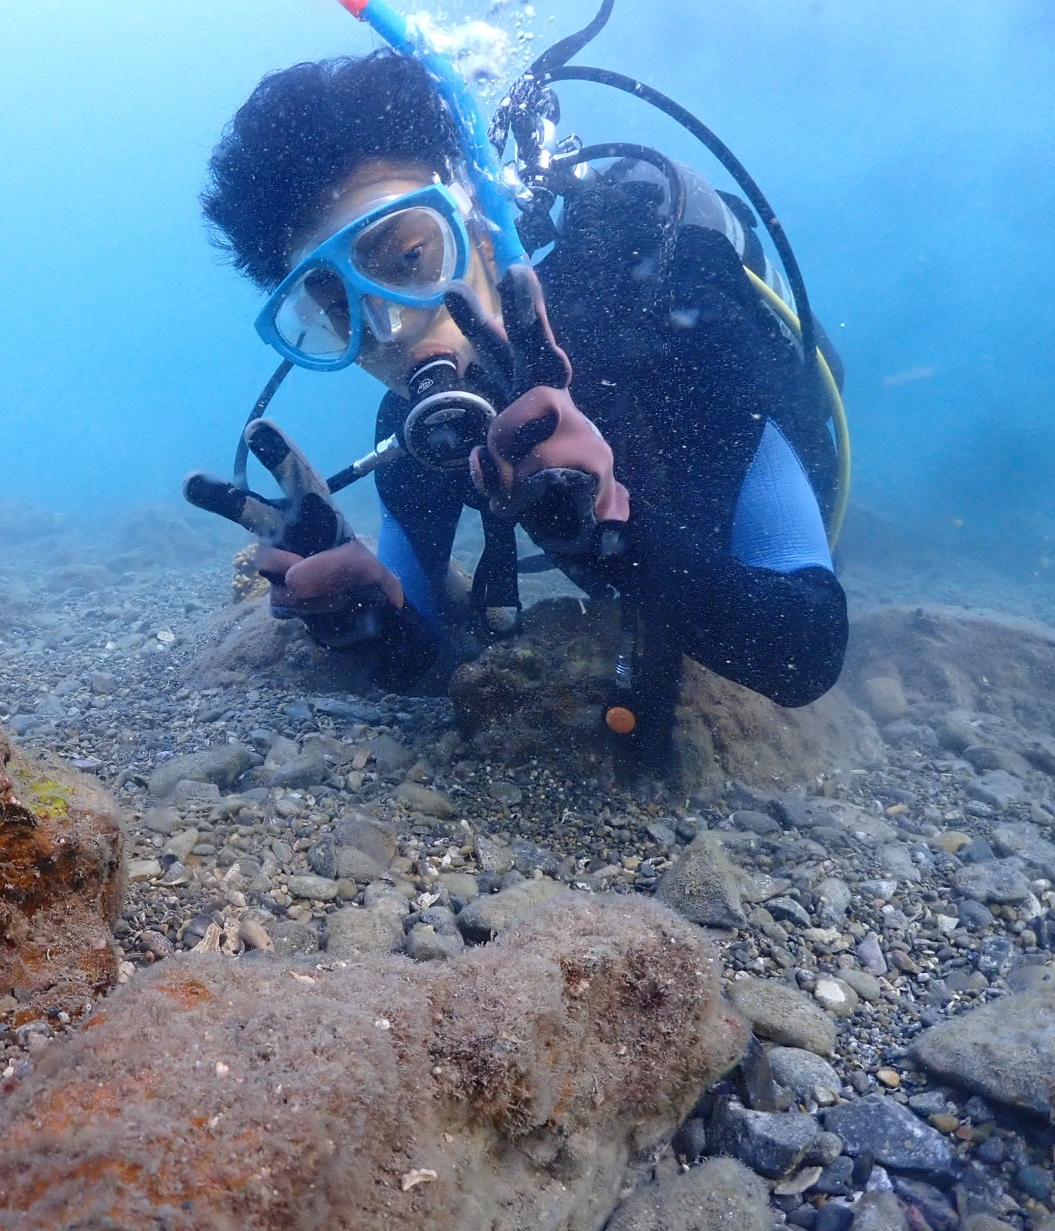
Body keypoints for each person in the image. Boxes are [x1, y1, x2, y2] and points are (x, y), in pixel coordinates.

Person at [186, 49, 848, 768]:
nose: (390, 331)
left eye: (409, 258)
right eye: (337, 306)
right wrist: (367, 616)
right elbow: (427, 656)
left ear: (477, 221)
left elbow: (803, 657)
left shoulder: (674, 333)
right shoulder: (416, 442)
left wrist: (611, 531)